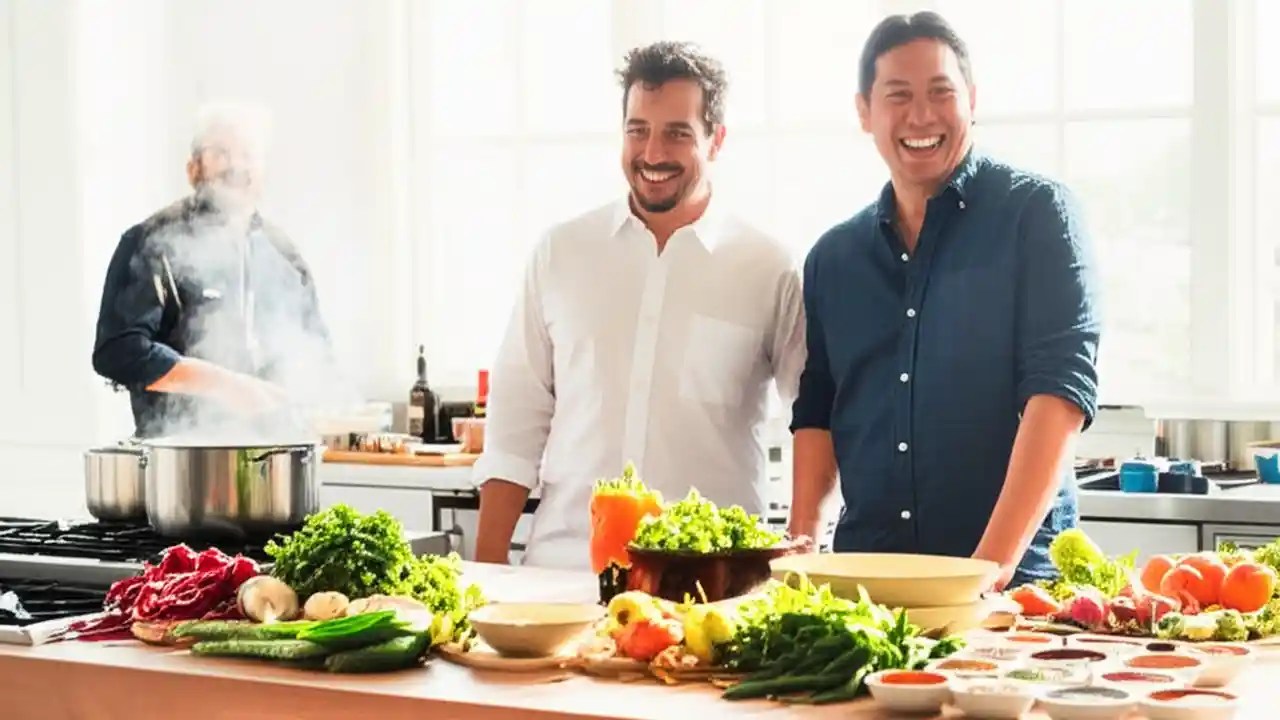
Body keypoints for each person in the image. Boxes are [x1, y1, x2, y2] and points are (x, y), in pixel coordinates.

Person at [788, 11, 1101, 590]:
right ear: (865, 112)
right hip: (866, 590)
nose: (921, 115)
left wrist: (984, 575)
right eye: (898, 95)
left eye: (940, 92)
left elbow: (1059, 393)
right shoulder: (833, 258)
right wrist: (799, 559)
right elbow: (819, 409)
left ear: (972, 100)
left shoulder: (1037, 216)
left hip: (1014, 594)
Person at [473, 41, 806, 569]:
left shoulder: (768, 267)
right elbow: (516, 422)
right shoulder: (562, 253)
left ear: (716, 140)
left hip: (709, 586)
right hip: (564, 575)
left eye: (677, 132)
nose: (652, 153)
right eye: (638, 130)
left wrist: (798, 562)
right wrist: (487, 573)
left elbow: (813, 420)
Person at [92, 103, 333, 438]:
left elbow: (318, 357)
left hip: (276, 455)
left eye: (248, 153)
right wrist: (227, 386)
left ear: (263, 169)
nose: (236, 164)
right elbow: (117, 351)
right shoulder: (150, 242)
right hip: (180, 460)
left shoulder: (285, 257)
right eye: (221, 152)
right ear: (193, 168)